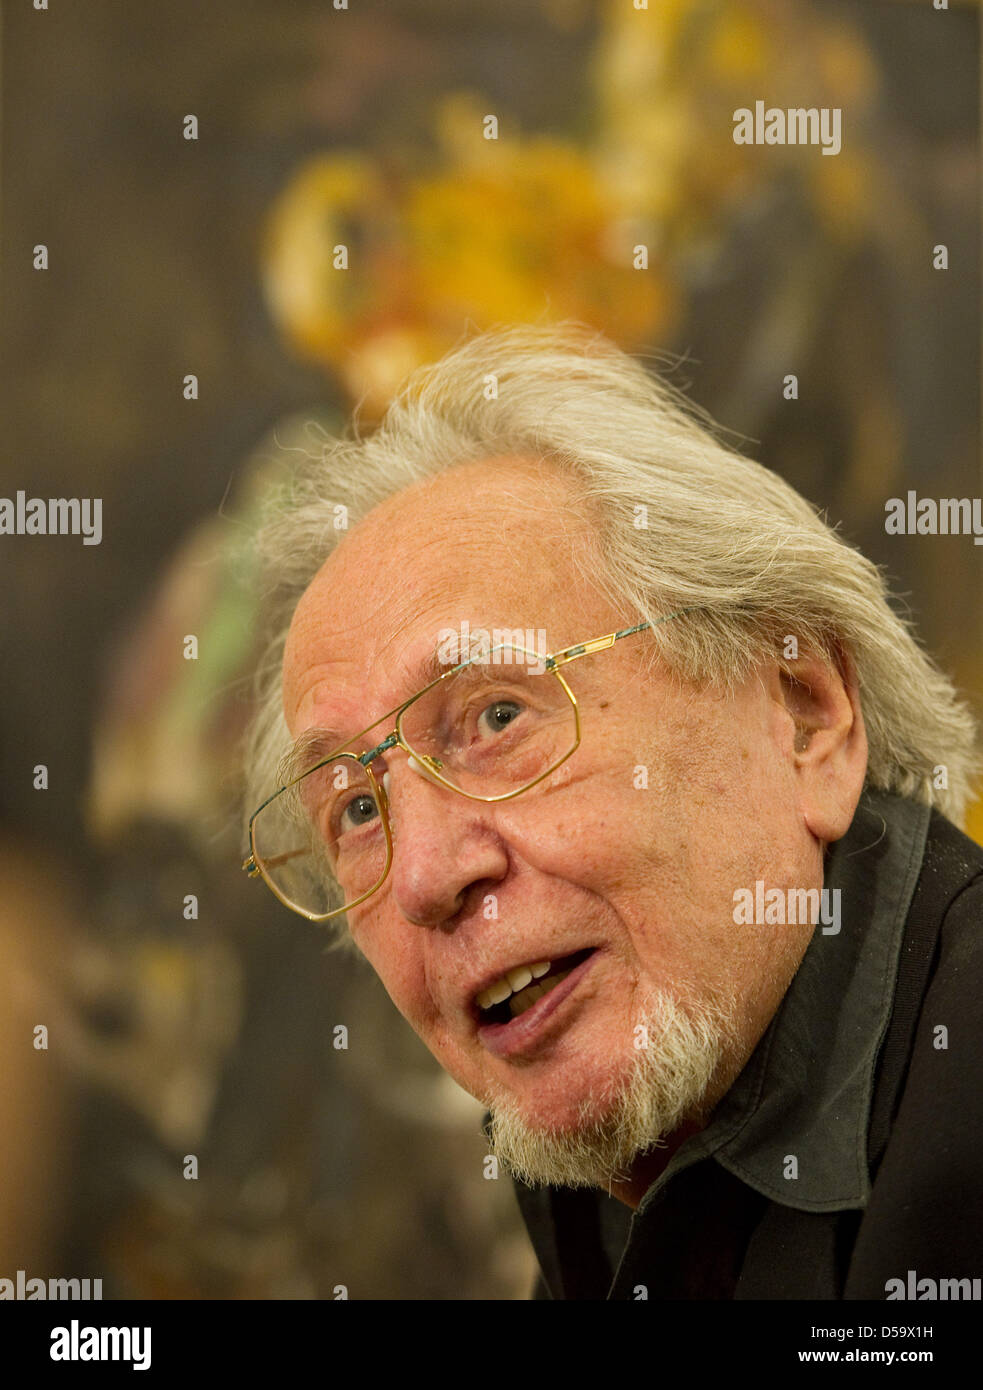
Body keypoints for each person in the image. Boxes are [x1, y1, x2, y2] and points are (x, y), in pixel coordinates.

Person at [242, 321, 983, 1299]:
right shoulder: (610, 1192)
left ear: (803, 713)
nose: (423, 875)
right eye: (358, 808)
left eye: (497, 715)